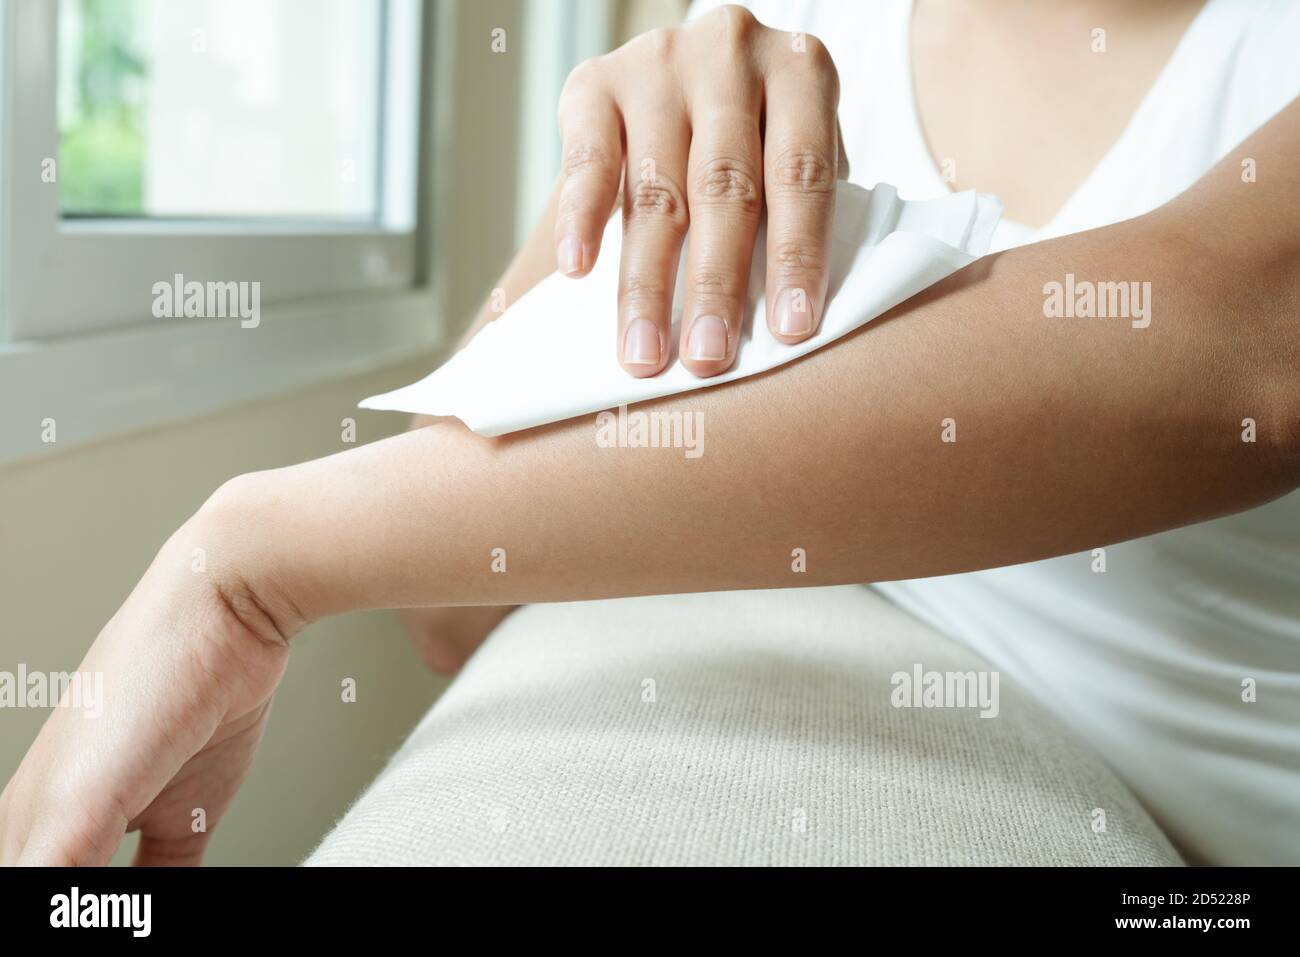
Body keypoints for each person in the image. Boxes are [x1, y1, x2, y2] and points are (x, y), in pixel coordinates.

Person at [2, 0, 1297, 866]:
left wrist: (253, 557)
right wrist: (613, 192)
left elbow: (1238, 349)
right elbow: (452, 619)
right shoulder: (795, 28)